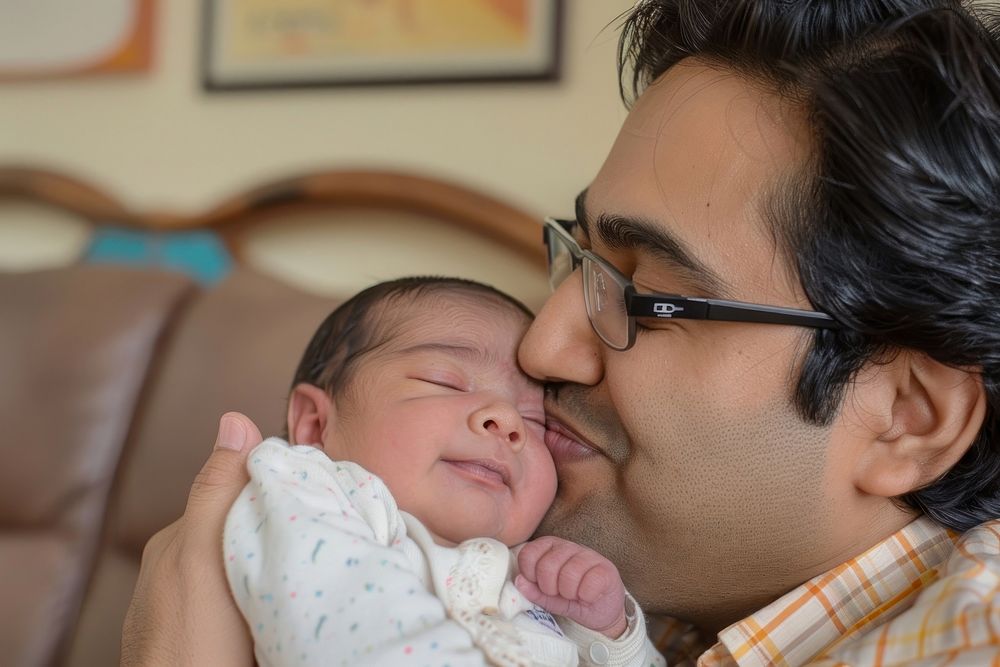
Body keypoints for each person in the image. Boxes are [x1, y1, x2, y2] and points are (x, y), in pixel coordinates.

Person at [122, 1, 1000, 665]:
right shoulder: (630, 580)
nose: (540, 349)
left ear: (905, 417)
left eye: (646, 294)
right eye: (579, 259)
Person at [224, 277, 664, 666]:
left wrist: (608, 633)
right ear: (316, 425)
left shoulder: (536, 576)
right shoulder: (308, 494)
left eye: (534, 419)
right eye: (444, 382)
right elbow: (333, 627)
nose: (507, 421)